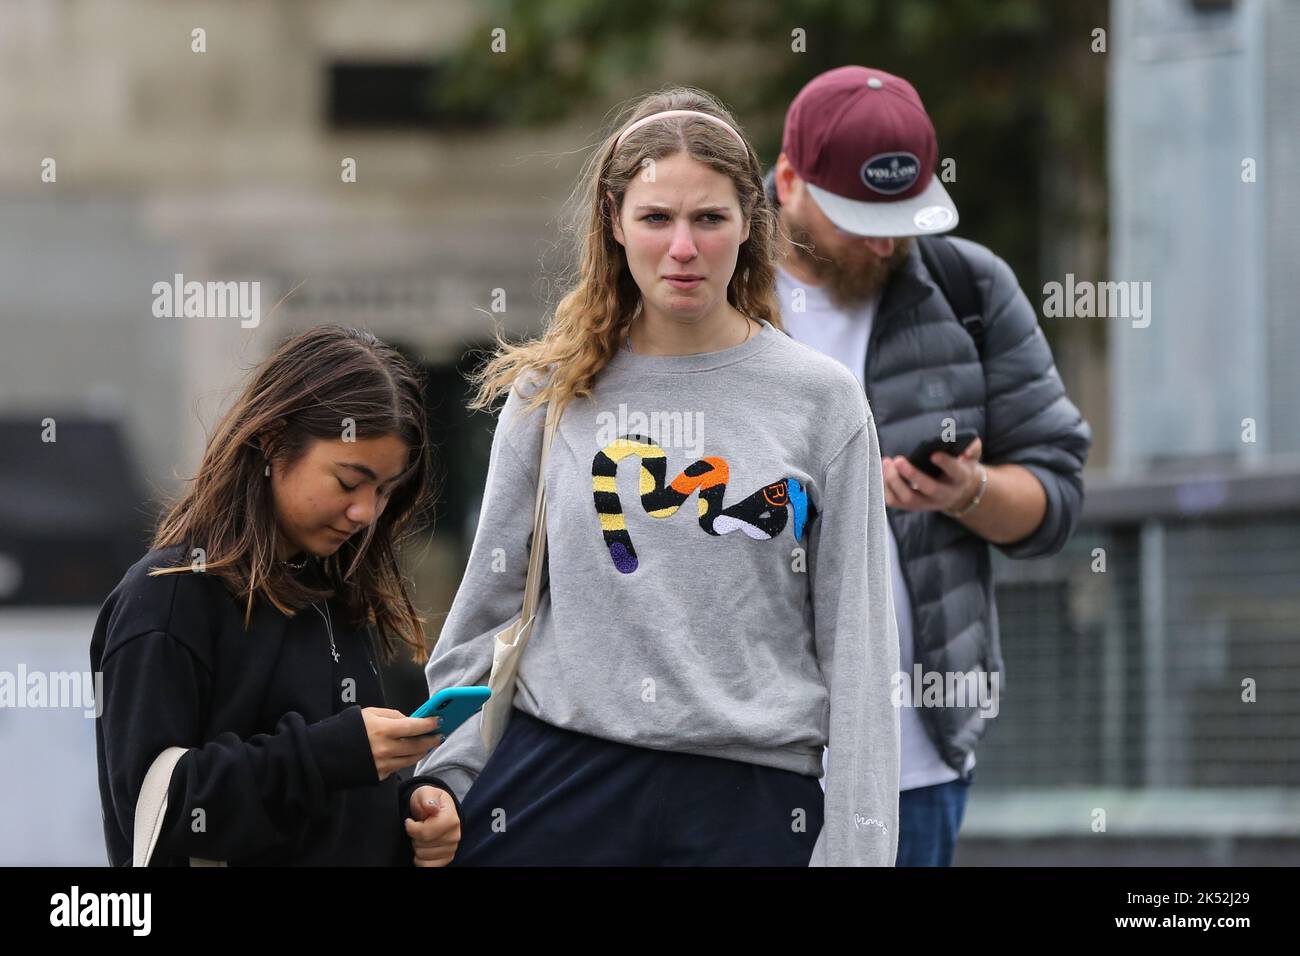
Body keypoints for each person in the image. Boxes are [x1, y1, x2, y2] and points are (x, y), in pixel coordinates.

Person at [409, 87, 900, 867]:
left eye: (708, 218)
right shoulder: (550, 393)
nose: (684, 247)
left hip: (750, 800)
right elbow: (486, 616)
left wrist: (859, 851)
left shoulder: (821, 400)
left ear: (748, 223)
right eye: (656, 218)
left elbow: (862, 651)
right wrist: (446, 778)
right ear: (614, 223)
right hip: (559, 782)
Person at [765, 66, 1093, 866]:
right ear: (787, 182)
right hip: (745, 750)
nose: (883, 242)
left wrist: (969, 492)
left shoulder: (967, 288)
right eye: (858, 219)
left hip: (914, 753)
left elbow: (1055, 497)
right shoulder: (710, 293)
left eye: (900, 219)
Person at [91, 325, 463, 866]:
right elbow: (158, 813)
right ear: (273, 440)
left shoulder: (333, 592)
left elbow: (325, 813)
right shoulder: (168, 597)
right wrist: (331, 754)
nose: (366, 512)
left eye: (384, 491)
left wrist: (414, 811)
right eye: (348, 481)